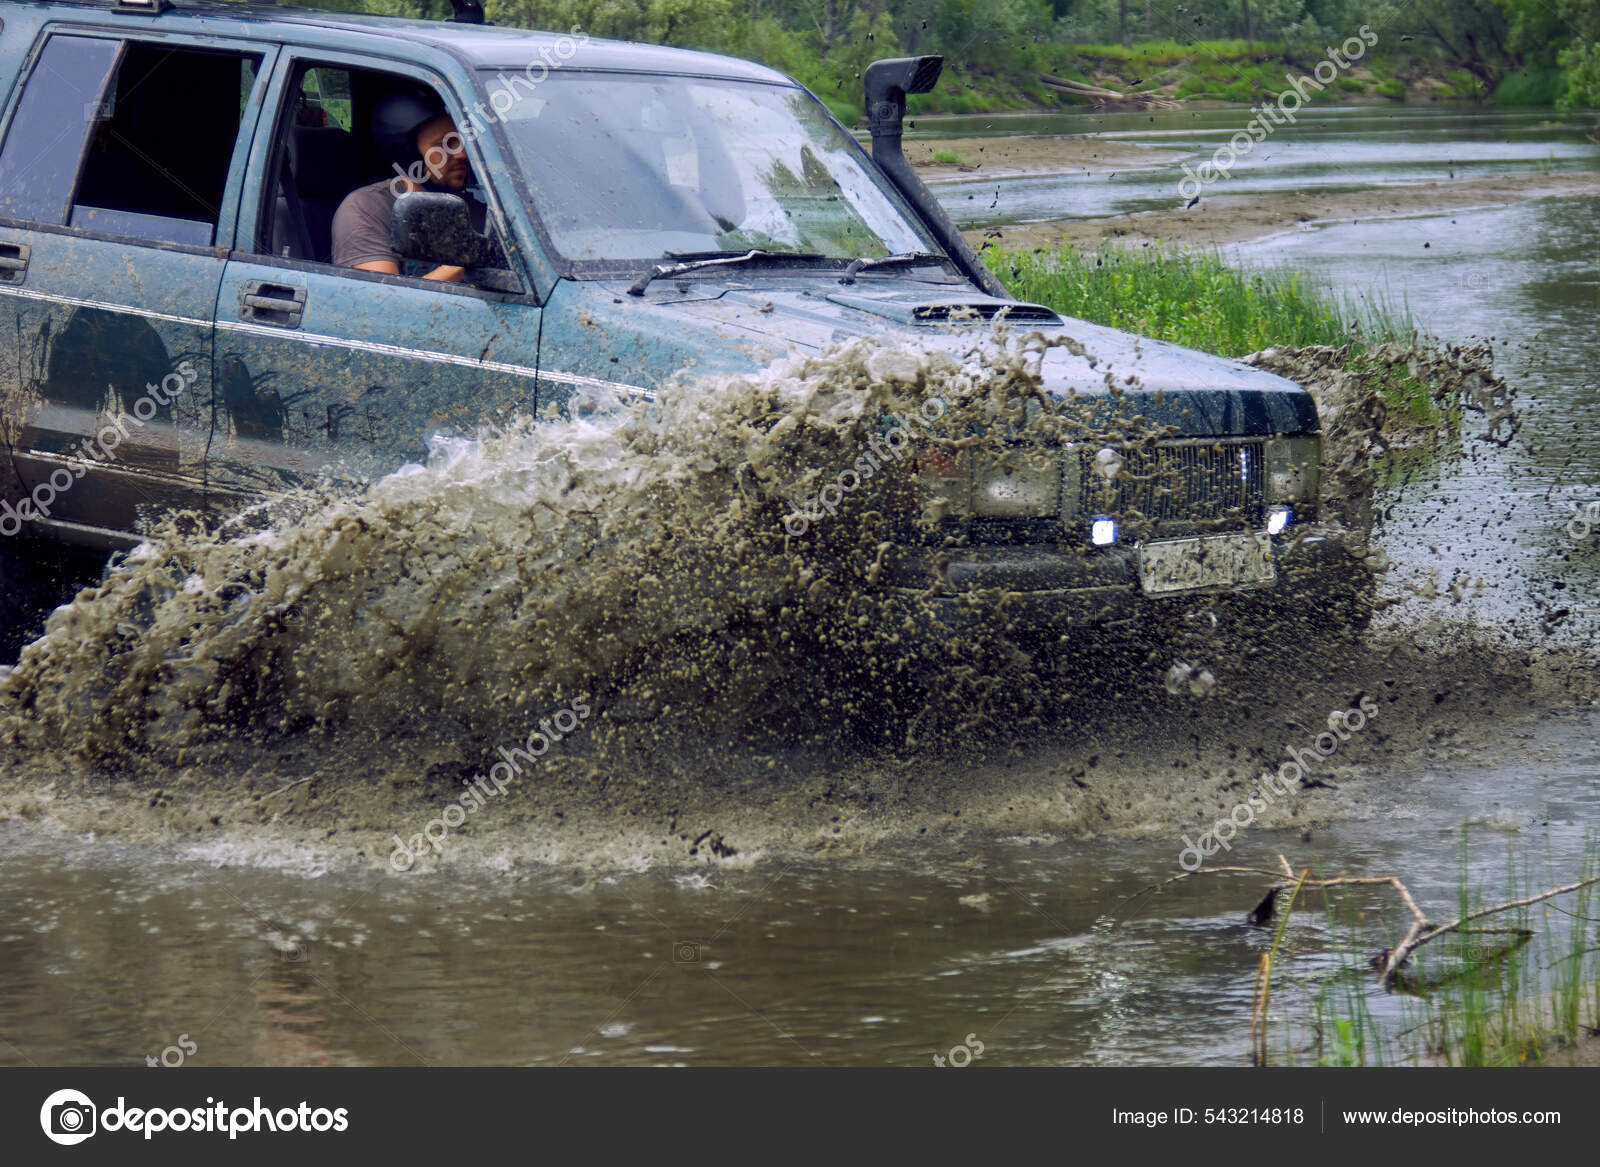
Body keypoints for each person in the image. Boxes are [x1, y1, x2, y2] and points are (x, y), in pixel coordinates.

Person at [330, 87, 478, 281]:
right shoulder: (367, 208)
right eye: (444, 145)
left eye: (461, 142)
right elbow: (383, 302)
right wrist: (468, 263)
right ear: (409, 154)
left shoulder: (480, 206)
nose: (462, 154)